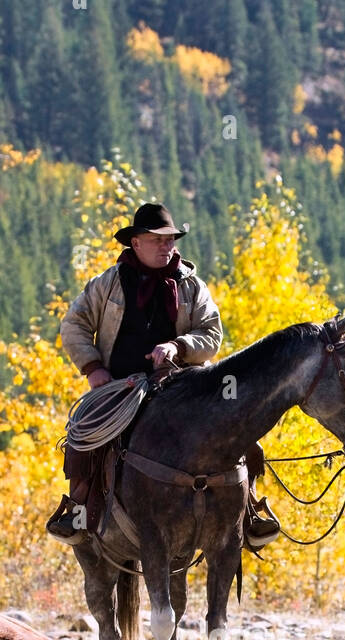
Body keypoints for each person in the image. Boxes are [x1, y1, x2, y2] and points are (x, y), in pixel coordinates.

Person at [49, 202, 279, 548]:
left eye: (169, 238)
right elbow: (74, 326)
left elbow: (212, 335)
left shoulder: (191, 286)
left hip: (183, 388)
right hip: (119, 387)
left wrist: (179, 347)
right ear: (135, 243)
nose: (165, 245)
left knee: (240, 431)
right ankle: (78, 511)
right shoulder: (107, 284)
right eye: (156, 239)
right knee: (83, 429)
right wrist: (94, 368)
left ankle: (248, 513)